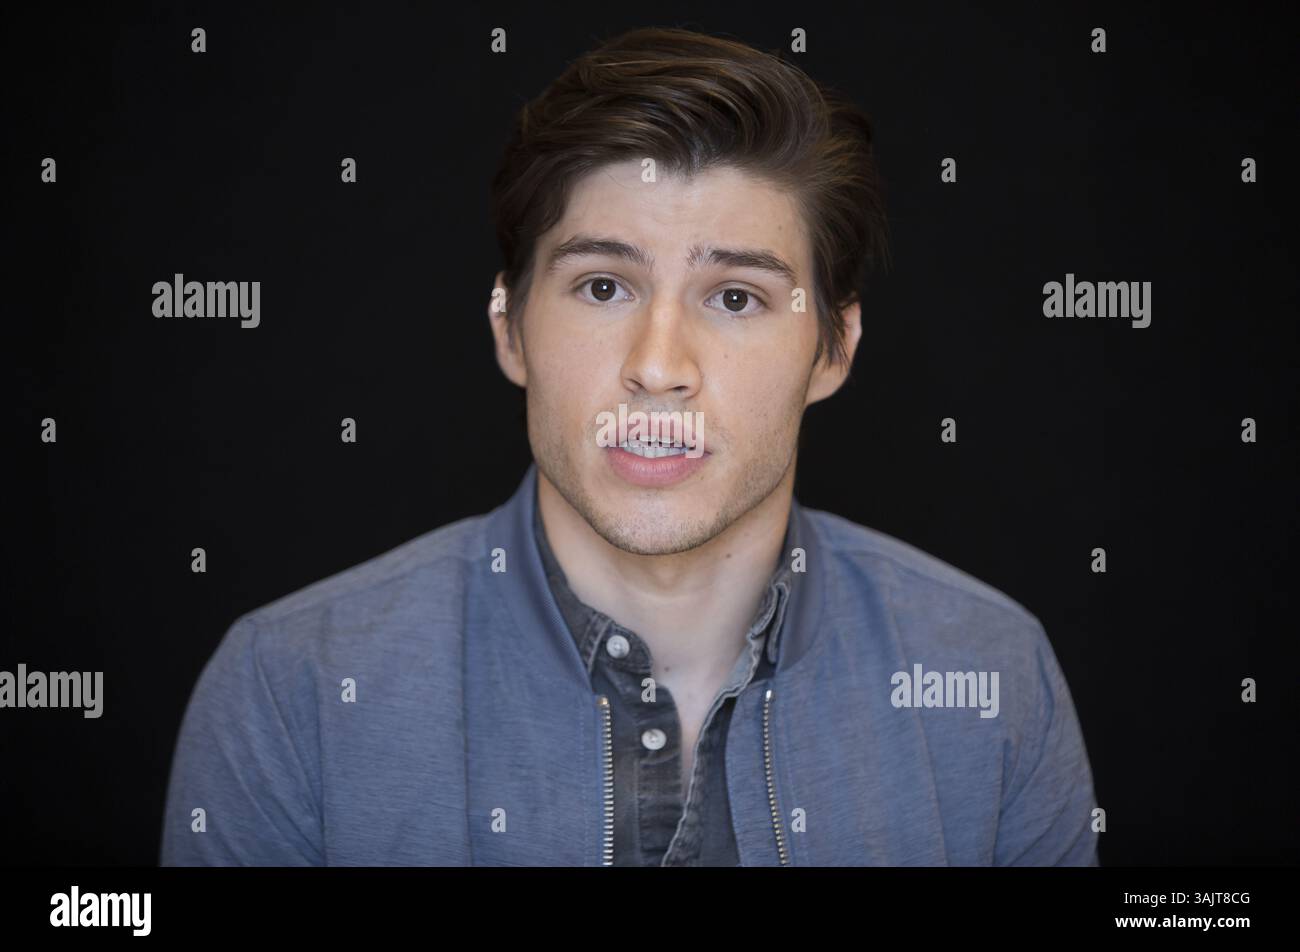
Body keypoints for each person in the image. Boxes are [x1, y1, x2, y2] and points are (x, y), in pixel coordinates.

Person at [161, 26, 1098, 866]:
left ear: (834, 348)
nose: (658, 367)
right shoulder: (292, 690)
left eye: (736, 297)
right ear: (510, 327)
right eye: (603, 286)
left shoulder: (991, 674)